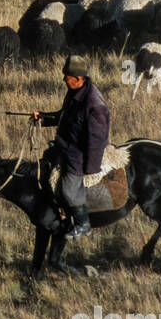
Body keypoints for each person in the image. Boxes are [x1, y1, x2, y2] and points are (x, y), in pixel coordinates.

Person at [31, 55, 111, 239]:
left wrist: (90, 168)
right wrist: (43, 118)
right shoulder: (75, 92)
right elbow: (63, 117)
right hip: (66, 145)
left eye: (66, 76)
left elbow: (96, 140)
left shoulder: (95, 105)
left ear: (78, 78)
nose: (63, 79)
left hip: (78, 153)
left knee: (68, 190)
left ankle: (83, 224)